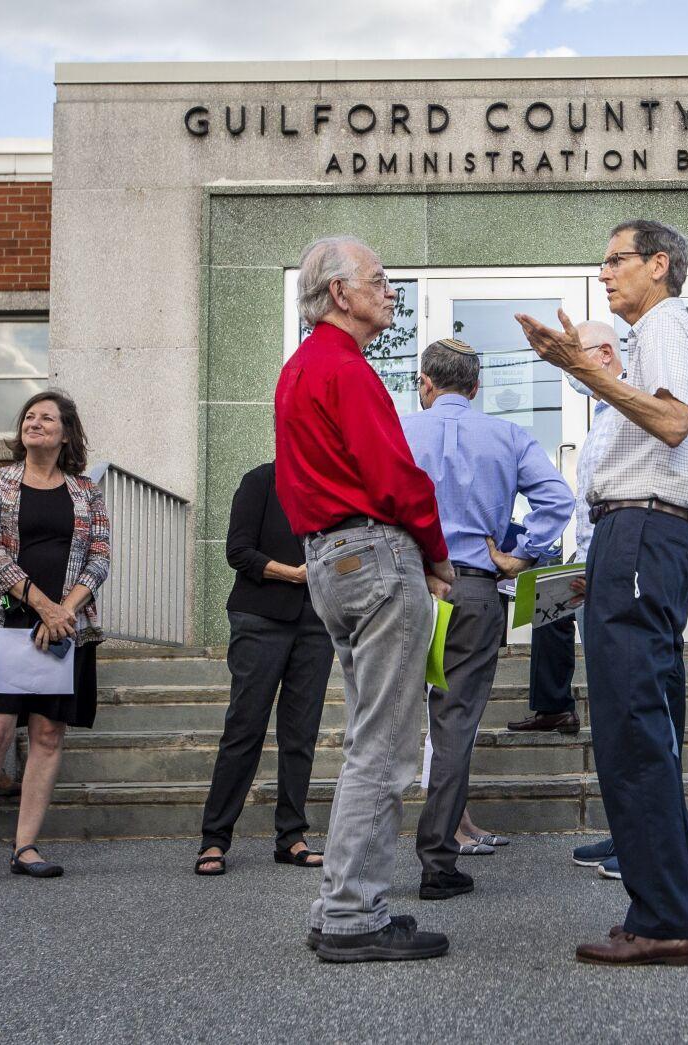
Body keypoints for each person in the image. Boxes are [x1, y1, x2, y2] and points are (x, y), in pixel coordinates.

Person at [518, 218, 688, 966]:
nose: (604, 273)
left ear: (659, 265)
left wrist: (584, 371)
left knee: (630, 725)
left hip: (642, 530)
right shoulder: (662, 335)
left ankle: (663, 918)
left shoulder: (667, 324)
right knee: (647, 728)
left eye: (616, 260)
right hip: (641, 535)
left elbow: (671, 422)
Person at [277, 235, 456, 963]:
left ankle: (342, 904)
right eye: (379, 281)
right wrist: (437, 553)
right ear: (340, 295)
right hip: (375, 554)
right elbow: (393, 474)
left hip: (331, 560)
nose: (391, 292)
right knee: (383, 747)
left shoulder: (300, 368)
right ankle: (352, 913)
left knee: (367, 742)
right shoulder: (345, 369)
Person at [400, 337, 574, 900]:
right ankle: (437, 860)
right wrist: (525, 552)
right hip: (472, 590)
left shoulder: (398, 429)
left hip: (406, 586)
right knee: (454, 725)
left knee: (379, 716)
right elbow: (557, 499)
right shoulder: (507, 435)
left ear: (426, 383)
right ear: (475, 389)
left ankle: (363, 862)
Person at [0, 391, 110, 887]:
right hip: (5, 623)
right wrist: (43, 606)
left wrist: (63, 612)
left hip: (67, 629)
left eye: (47, 417)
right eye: (29, 415)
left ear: (66, 433)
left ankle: (25, 846)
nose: (35, 422)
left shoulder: (87, 491)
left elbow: (100, 556)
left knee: (49, 734)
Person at [193, 461, 331, 876]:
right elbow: (238, 551)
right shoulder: (259, 480)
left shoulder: (333, 484)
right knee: (244, 728)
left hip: (318, 622)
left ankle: (292, 836)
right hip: (261, 617)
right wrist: (292, 574)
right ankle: (214, 838)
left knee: (301, 733)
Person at [508, 320, 626, 740]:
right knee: (546, 602)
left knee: (603, 647)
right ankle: (554, 707)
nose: (568, 373)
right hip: (587, 551)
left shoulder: (628, 406)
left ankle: (613, 720)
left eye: (573, 360)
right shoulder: (602, 410)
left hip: (612, 554)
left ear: (605, 355)